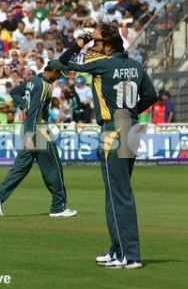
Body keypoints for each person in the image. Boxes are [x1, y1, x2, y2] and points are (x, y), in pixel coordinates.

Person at [59, 23, 158, 270]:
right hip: (131, 128)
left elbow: (62, 62)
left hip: (112, 131)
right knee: (114, 194)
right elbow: (150, 95)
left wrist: (79, 41)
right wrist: (131, 112)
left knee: (119, 195)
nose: (92, 46)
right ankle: (117, 250)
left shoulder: (102, 63)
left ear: (109, 46)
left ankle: (130, 255)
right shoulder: (135, 66)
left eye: (96, 42)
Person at [0, 60, 77, 218]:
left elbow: (14, 92)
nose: (58, 78)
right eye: (59, 75)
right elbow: (34, 112)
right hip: (38, 130)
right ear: (54, 71)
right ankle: (58, 207)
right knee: (54, 169)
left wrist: (22, 106)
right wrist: (31, 134)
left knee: (20, 168)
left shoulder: (33, 80)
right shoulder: (45, 86)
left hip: (27, 128)